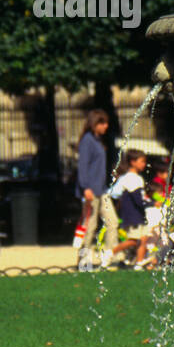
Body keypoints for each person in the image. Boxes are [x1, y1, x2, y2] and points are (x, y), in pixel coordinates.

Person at [76, 109, 117, 268]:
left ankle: (108, 256)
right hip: (91, 191)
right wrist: (85, 187)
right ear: (94, 124)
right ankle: (83, 262)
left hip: (102, 189)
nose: (106, 126)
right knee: (90, 226)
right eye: (102, 123)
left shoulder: (98, 140)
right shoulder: (87, 140)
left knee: (112, 222)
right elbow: (83, 166)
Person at [108, 150, 151, 268]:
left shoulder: (135, 178)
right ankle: (110, 252)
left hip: (139, 215)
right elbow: (138, 200)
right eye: (142, 161)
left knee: (143, 238)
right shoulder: (132, 178)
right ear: (133, 162)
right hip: (133, 215)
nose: (144, 164)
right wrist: (152, 203)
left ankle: (139, 262)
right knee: (134, 240)